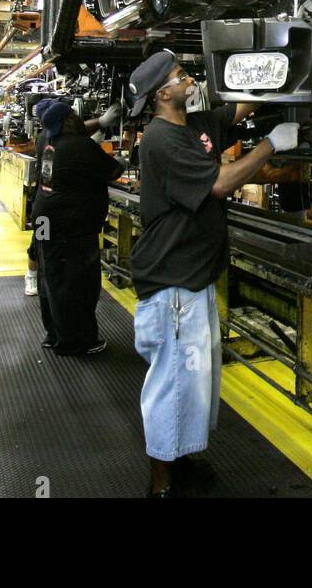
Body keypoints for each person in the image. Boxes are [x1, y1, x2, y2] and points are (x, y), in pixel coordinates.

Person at [126, 50, 299, 498]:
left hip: (194, 278)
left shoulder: (194, 125)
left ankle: (181, 460)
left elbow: (240, 107)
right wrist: (270, 145)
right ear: (163, 94)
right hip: (172, 283)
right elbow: (220, 184)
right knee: (171, 384)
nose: (190, 81)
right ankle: (161, 483)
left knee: (193, 382)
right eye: (181, 76)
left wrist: (281, 70)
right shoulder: (161, 140)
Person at [31, 102, 124, 355]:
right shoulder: (80, 146)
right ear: (69, 120)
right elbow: (114, 171)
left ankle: (54, 334)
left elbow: (80, 133)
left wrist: (101, 123)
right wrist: (122, 160)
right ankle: (77, 342)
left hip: (43, 220)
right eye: (73, 114)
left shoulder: (44, 139)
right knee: (76, 281)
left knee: (48, 275)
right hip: (69, 225)